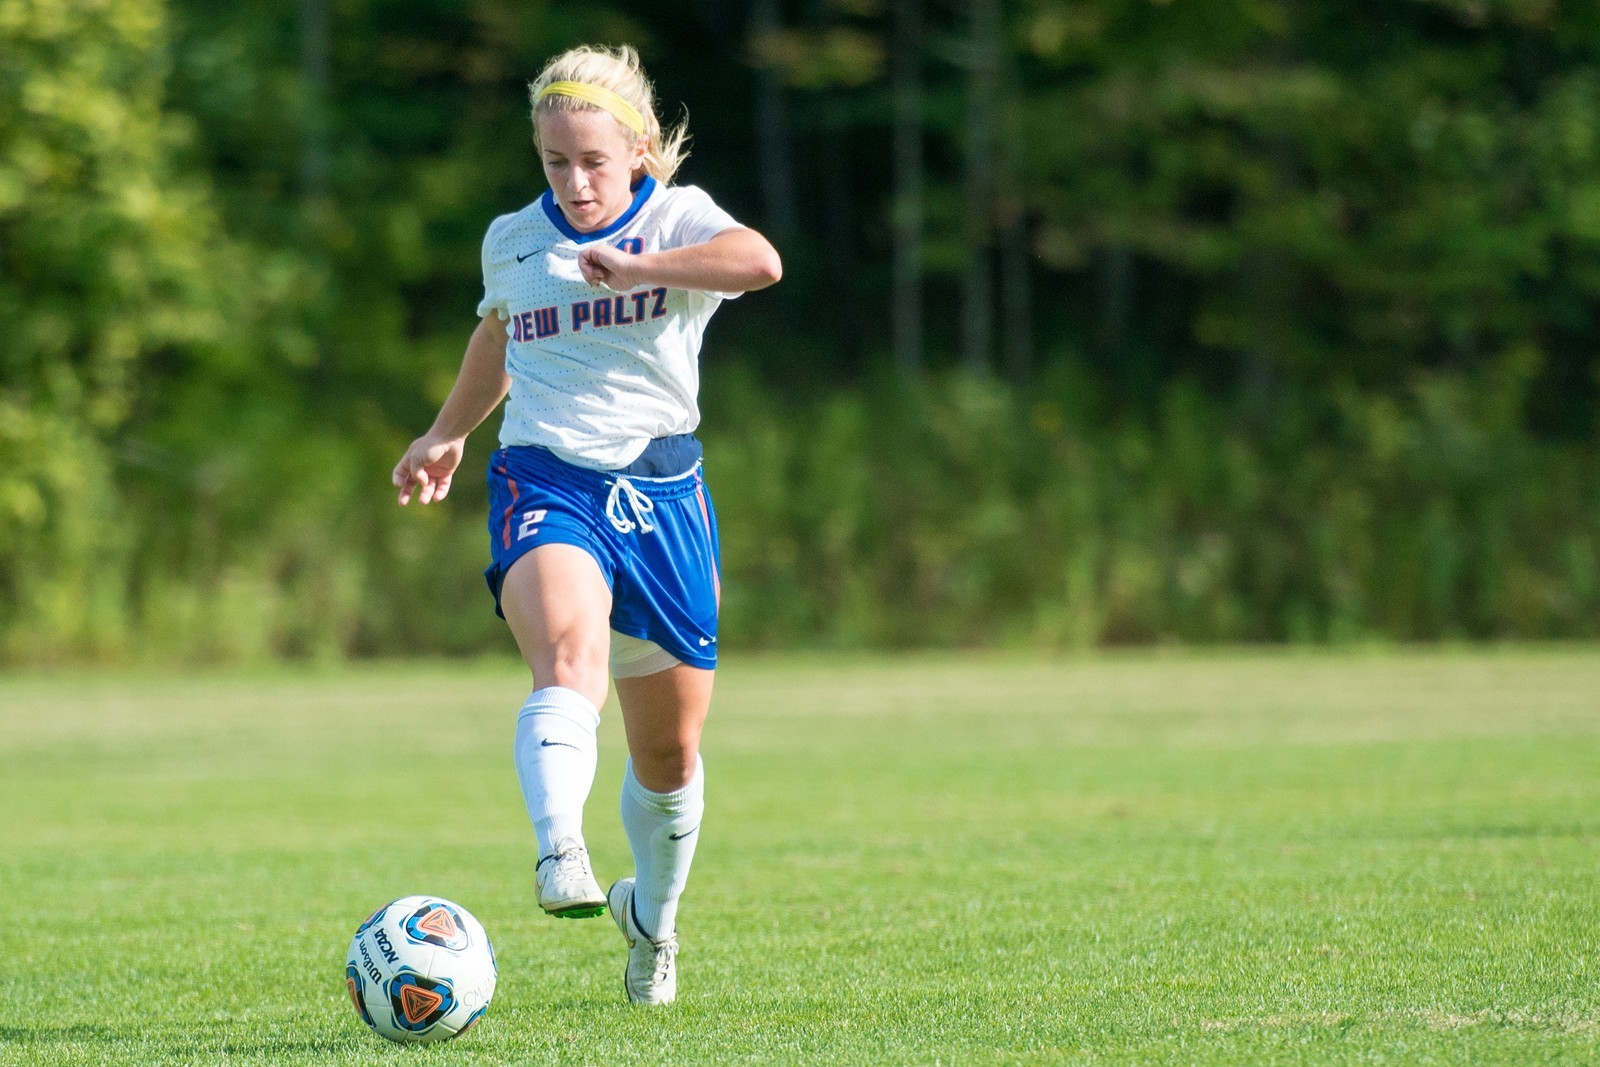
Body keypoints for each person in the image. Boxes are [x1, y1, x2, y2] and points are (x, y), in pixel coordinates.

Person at [391, 43, 781, 1007]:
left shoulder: (681, 219)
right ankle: (558, 848)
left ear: (639, 151)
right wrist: (447, 433)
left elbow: (759, 262)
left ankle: (653, 924)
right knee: (570, 659)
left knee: (670, 754)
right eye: (555, 162)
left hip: (664, 492)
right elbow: (496, 333)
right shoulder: (513, 240)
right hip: (543, 476)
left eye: (593, 162)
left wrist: (643, 262)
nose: (574, 181)